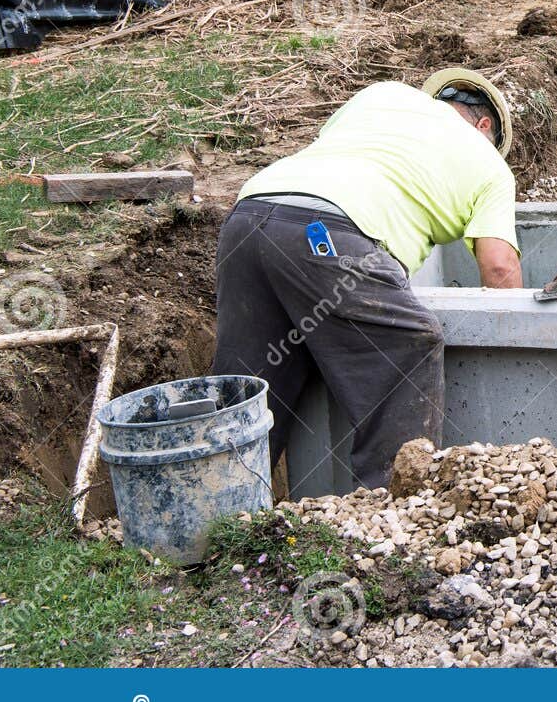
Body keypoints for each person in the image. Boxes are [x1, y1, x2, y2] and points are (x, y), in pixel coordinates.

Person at [212, 67, 523, 489]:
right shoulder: (490, 165)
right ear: (484, 125)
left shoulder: (381, 95)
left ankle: (219, 513)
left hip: (248, 217)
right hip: (330, 235)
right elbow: (500, 268)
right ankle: (386, 514)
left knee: (250, 385)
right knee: (409, 341)